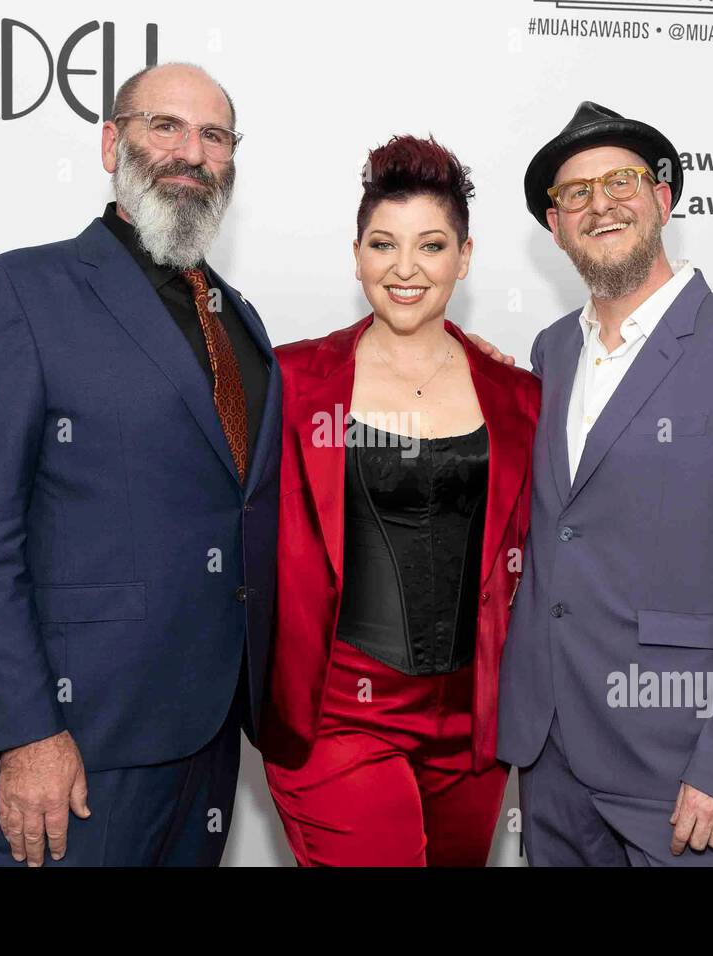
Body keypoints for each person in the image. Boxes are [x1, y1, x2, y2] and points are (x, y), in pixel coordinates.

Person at [0, 62, 280, 866]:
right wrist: (27, 732)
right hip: (77, 742)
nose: (191, 152)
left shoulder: (240, 320)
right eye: (166, 126)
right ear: (110, 143)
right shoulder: (16, 292)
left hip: (211, 738)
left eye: (214, 136)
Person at [497, 102, 713, 866]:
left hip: (678, 767)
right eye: (575, 193)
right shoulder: (549, 354)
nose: (600, 203)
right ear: (555, 225)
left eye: (621, 181)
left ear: (663, 199)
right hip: (549, 758)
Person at [259, 135, 541, 866]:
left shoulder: (518, 395)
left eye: (432, 245)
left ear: (465, 257)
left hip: (475, 723)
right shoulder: (290, 383)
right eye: (384, 244)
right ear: (357, 256)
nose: (406, 269)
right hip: (338, 717)